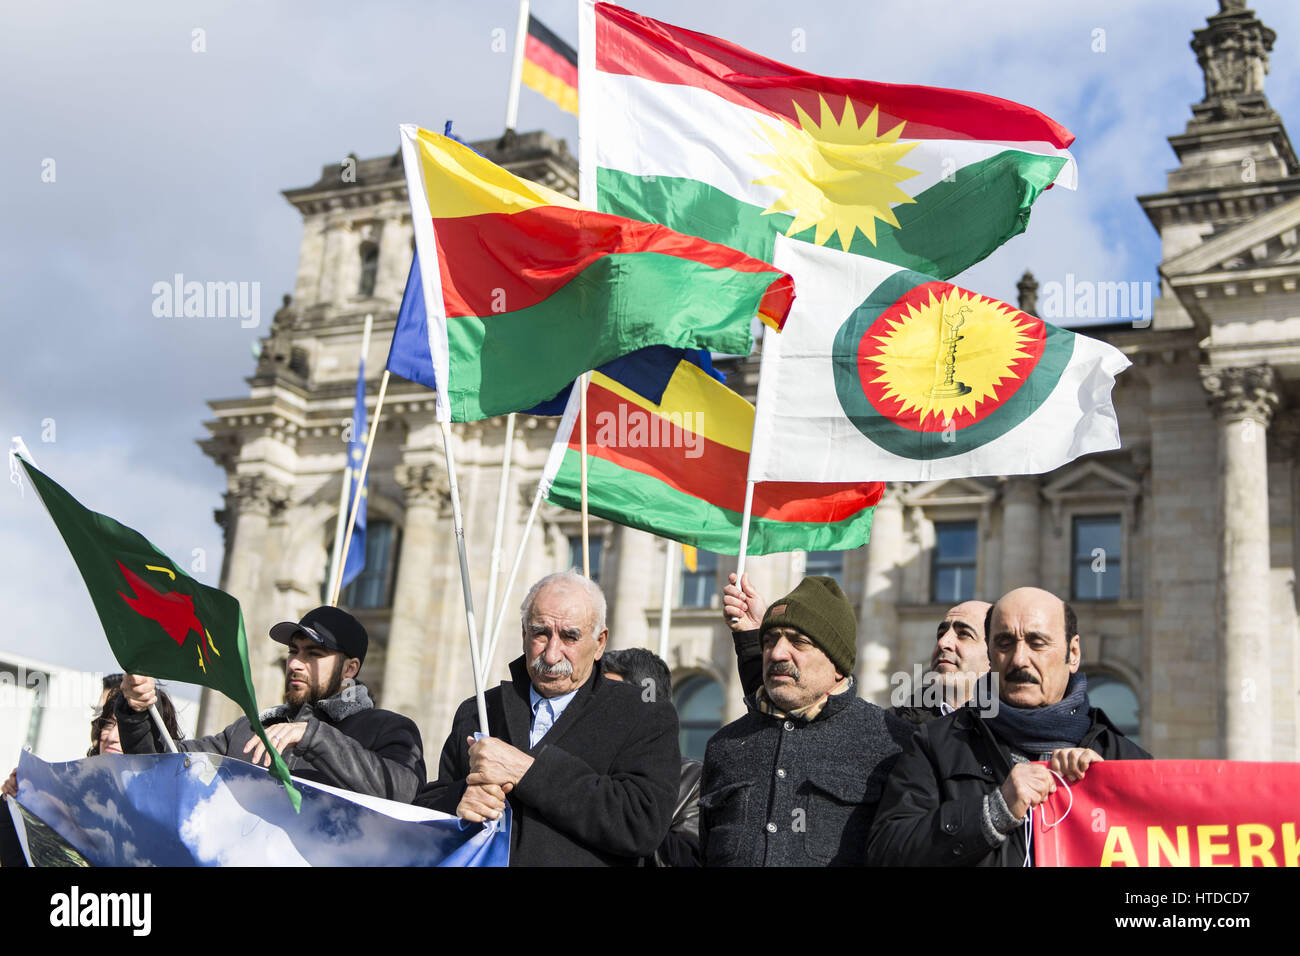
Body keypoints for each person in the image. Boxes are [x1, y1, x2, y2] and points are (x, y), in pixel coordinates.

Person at [867, 587, 1151, 867]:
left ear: (1073, 653)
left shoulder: (1125, 758)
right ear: (990, 655)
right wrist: (993, 813)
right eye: (1005, 643)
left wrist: (1106, 789)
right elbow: (886, 852)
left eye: (1037, 643)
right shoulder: (934, 744)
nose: (1018, 660)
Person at [416, 571, 680, 866]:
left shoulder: (643, 715)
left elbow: (642, 824)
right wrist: (459, 799)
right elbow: (426, 809)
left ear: (600, 642)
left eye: (570, 636)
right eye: (541, 633)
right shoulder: (479, 709)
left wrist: (527, 771)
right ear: (523, 634)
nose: (552, 654)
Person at [702, 576, 914, 866]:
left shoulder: (893, 744)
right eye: (769, 640)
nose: (776, 653)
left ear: (837, 665)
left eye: (799, 642)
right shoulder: (723, 746)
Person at [116, 605, 425, 802]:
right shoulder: (249, 730)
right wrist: (137, 711)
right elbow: (164, 766)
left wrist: (313, 736)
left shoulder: (386, 728)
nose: (295, 664)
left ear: (350, 669)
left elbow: (404, 794)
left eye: (314, 654)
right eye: (294, 651)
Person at [724, 574, 990, 723]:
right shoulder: (891, 728)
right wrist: (752, 638)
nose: (943, 643)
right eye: (941, 632)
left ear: (996, 654)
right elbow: (791, 717)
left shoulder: (1019, 730)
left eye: (964, 635)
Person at [602, 647, 701, 867]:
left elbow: (684, 860)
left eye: (609, 699)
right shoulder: (575, 766)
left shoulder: (692, 779)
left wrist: (618, 809)